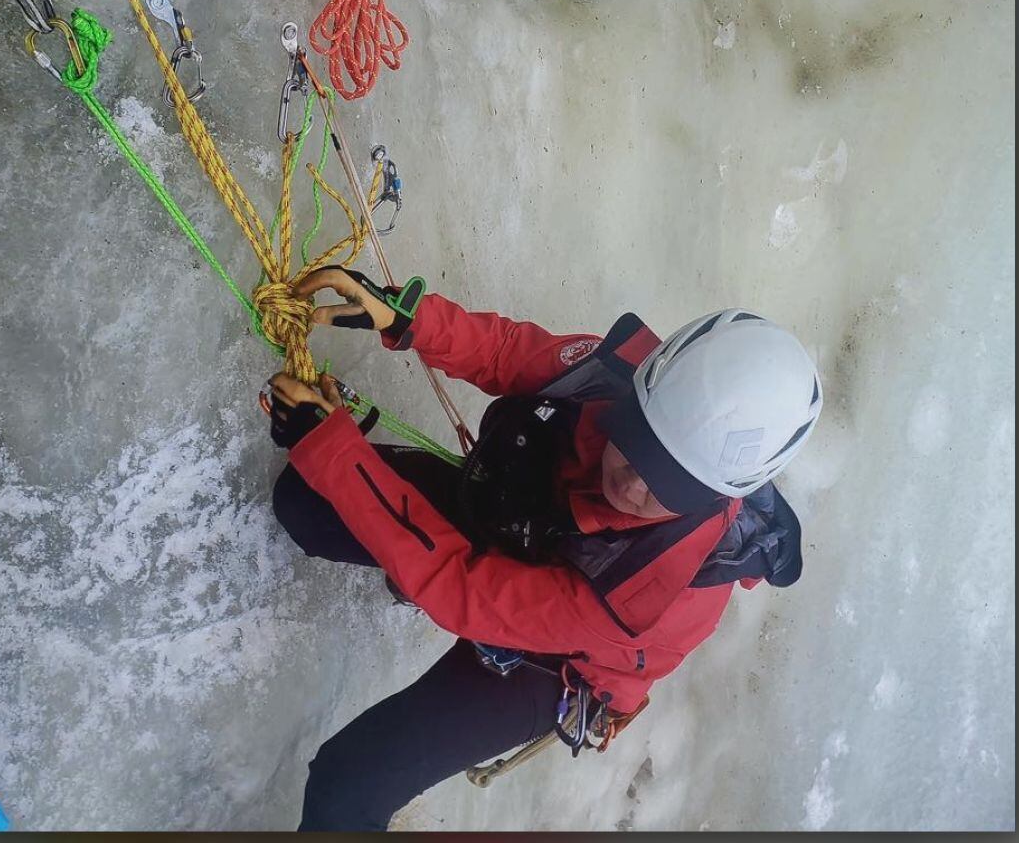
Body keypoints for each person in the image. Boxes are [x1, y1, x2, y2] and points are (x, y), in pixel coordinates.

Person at [265, 266, 823, 831]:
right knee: (306, 498)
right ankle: (402, 551)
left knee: (346, 784)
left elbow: (462, 589)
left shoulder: (644, 595)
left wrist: (332, 448)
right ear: (637, 398)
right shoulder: (620, 379)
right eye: (636, 449)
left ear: (711, 499)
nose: (631, 489)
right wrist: (407, 318)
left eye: (668, 491)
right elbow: (509, 354)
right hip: (531, 524)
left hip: (557, 662)